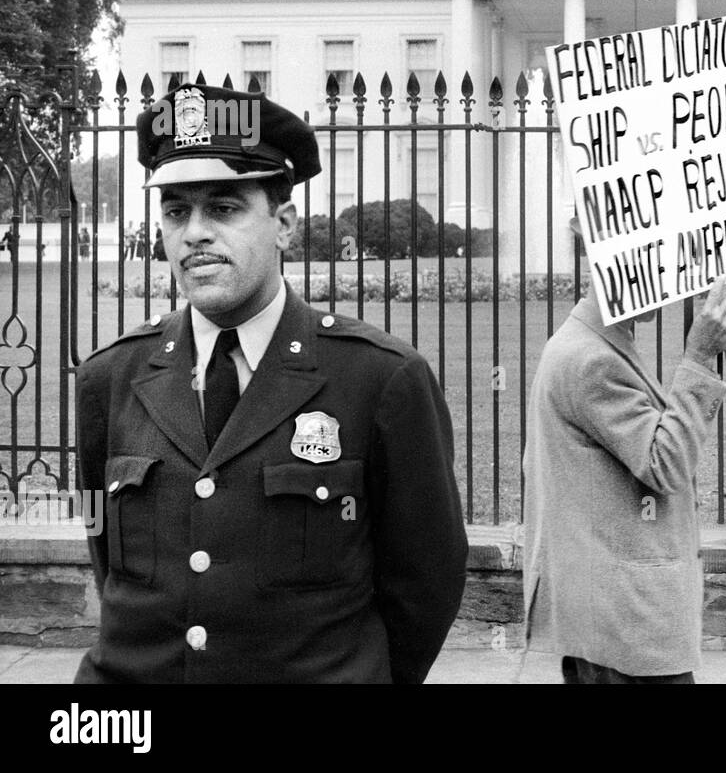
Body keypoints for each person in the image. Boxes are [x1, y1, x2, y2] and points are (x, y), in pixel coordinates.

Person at [74, 82, 467, 683]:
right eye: (176, 210)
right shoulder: (111, 378)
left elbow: (426, 583)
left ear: (284, 224)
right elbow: (110, 563)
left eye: (224, 209)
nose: (195, 232)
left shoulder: (379, 379)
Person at [522, 218, 726, 683]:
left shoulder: (592, 343)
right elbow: (666, 463)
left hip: (611, 621)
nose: (674, 278)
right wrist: (699, 356)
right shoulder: (591, 360)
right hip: (623, 624)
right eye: (662, 261)